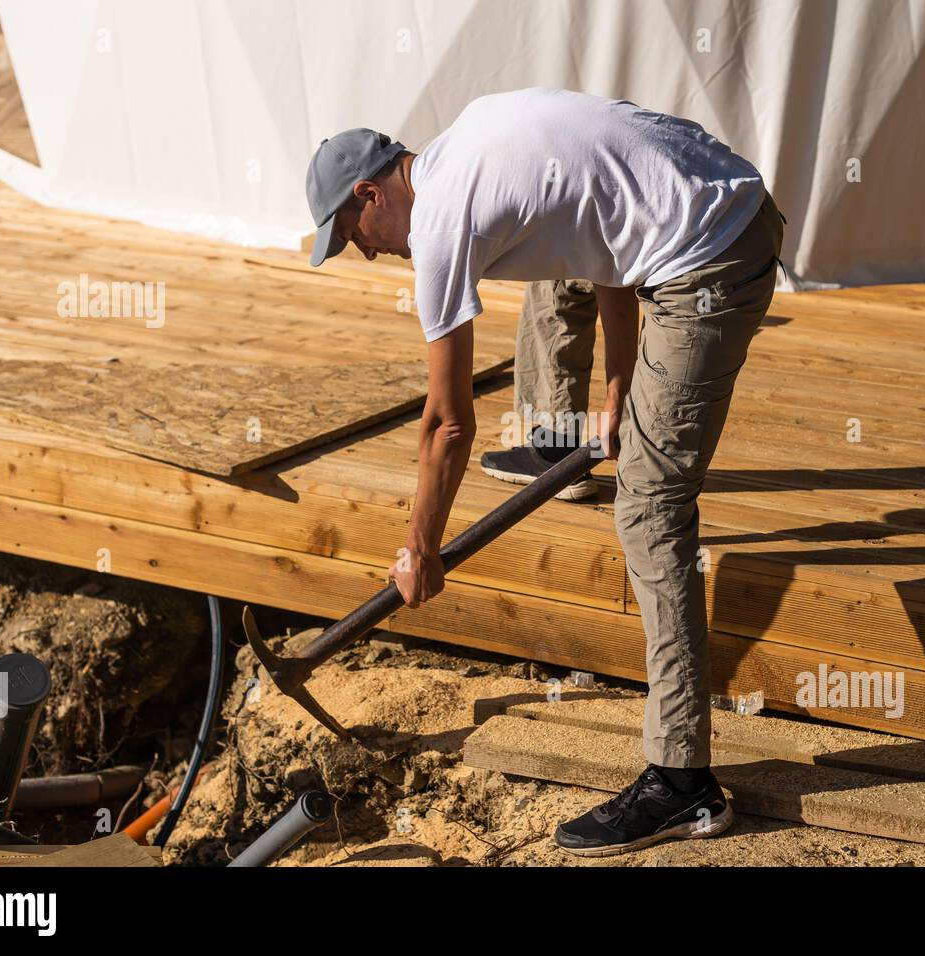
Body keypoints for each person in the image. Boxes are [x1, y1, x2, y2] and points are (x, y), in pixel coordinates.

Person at [305, 87, 784, 856]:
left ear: (371, 192)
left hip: (709, 254)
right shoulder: (471, 139)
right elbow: (605, 234)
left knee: (650, 508)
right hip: (718, 208)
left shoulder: (437, 224)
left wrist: (422, 550)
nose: (361, 250)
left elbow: (448, 423)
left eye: (349, 232)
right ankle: (681, 773)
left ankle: (682, 785)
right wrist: (622, 384)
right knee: (644, 489)